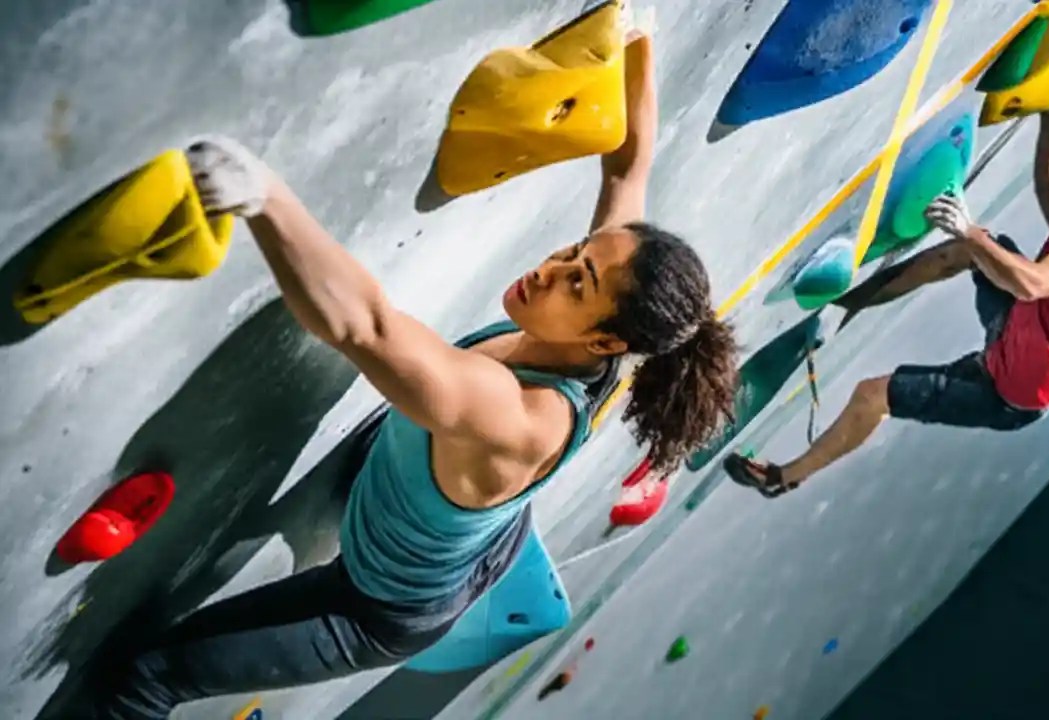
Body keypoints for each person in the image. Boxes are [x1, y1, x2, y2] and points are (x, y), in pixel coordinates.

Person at [93, 28, 737, 719]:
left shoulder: (507, 413)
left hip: (373, 606)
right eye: (574, 251)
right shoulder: (604, 331)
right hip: (484, 537)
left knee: (144, 677)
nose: (549, 269)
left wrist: (265, 198)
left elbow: (364, 327)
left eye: (575, 282)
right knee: (452, 473)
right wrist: (635, 37)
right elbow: (626, 172)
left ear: (608, 338)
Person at [724, 96, 1049, 498]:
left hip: (1009, 392)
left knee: (873, 395)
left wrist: (966, 227)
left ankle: (783, 477)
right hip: (1019, 331)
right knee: (975, 250)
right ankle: (852, 302)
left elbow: (1032, 283)